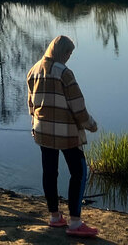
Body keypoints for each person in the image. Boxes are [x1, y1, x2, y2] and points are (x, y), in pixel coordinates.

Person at [26, 35, 99, 238]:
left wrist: (34, 126)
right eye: (69, 53)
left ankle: (54, 217)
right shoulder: (64, 73)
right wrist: (91, 125)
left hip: (42, 131)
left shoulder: (33, 71)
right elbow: (78, 106)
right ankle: (75, 222)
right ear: (62, 52)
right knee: (79, 172)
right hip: (66, 133)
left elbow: (31, 106)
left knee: (50, 172)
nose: (69, 57)